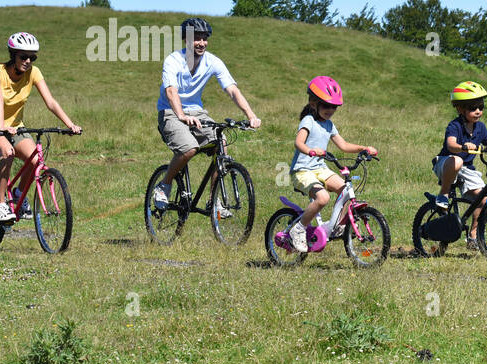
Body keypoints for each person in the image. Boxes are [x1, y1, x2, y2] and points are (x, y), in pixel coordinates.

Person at [152, 18, 261, 210]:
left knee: (222, 144)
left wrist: (251, 115)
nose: (201, 43)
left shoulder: (213, 62)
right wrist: (182, 116)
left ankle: (214, 201)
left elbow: (232, 90)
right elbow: (171, 91)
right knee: (189, 148)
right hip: (170, 111)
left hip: (197, 112)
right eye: (197, 38)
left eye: (205, 38)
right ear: (186, 40)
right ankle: (164, 184)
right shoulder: (173, 60)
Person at [0, 32, 82, 222]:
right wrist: (2, 128)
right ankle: (0, 205)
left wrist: (70, 125)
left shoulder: (34, 72)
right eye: (23, 56)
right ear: (13, 55)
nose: (27, 61)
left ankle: (17, 196)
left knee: (35, 162)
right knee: (7, 152)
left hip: (16, 127)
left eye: (32, 57)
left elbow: (50, 102)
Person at [286, 76, 377, 252]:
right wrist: (311, 151)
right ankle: (298, 230)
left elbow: (343, 145)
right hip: (303, 170)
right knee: (323, 198)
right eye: (326, 105)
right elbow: (299, 142)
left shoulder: (329, 125)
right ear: (313, 103)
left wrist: (363, 148)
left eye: (334, 106)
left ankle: (337, 227)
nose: (331, 110)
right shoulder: (308, 121)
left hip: (320, 169)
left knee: (346, 190)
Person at [432, 81, 487, 249]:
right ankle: (443, 195)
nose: (478, 111)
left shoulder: (480, 128)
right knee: (458, 160)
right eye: (472, 107)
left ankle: (473, 237)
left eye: (481, 106)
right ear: (460, 109)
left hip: (467, 170)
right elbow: (450, 145)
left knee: (483, 200)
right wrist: (462, 147)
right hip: (446, 163)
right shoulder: (455, 125)